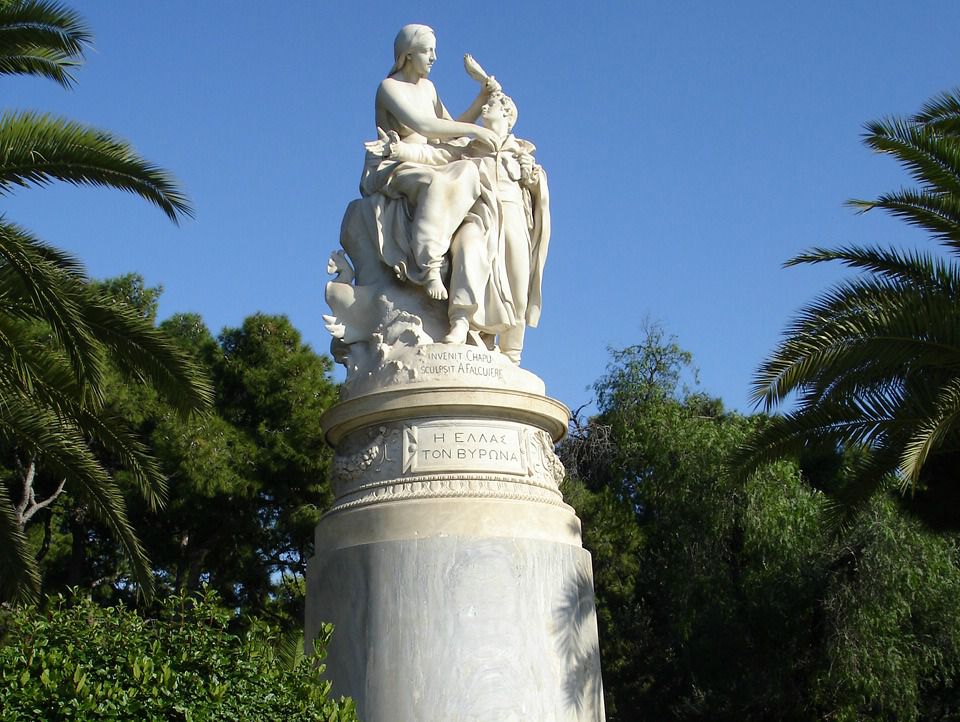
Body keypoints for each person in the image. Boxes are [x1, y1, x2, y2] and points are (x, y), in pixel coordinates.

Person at [360, 24, 500, 301]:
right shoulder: (389, 87)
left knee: (470, 172)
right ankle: (430, 265)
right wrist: (476, 131)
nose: (434, 57)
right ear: (408, 54)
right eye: (427, 51)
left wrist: (480, 100)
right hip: (396, 162)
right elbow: (424, 125)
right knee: (434, 182)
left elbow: (449, 126)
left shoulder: (429, 88)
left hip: (431, 159)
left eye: (434, 51)